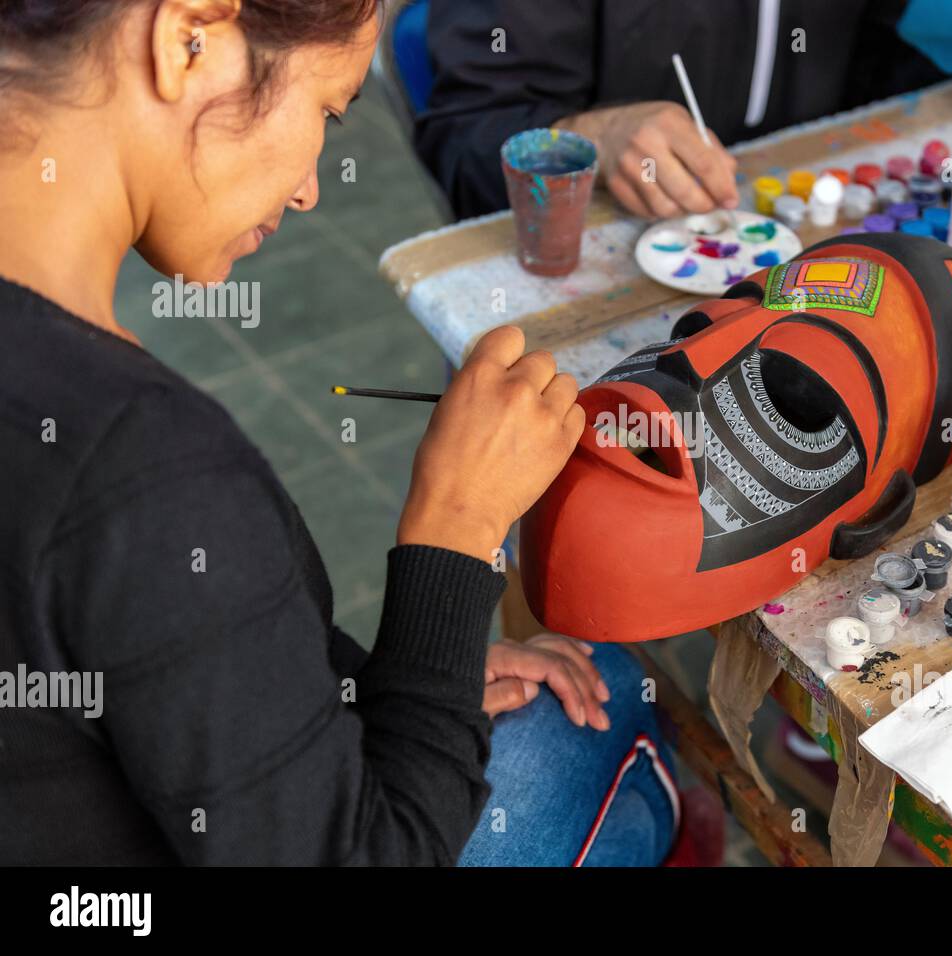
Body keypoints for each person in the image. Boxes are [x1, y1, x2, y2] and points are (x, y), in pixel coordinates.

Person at [0, 0, 682, 866]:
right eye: (326, 109)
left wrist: (390, 687)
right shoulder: (144, 465)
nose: (310, 186)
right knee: (606, 704)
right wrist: (457, 528)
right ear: (186, 36)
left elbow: (141, 669)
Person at [416, 0, 950, 219]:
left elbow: (877, 58)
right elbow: (466, 140)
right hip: (593, 287)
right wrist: (593, 140)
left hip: (796, 242)